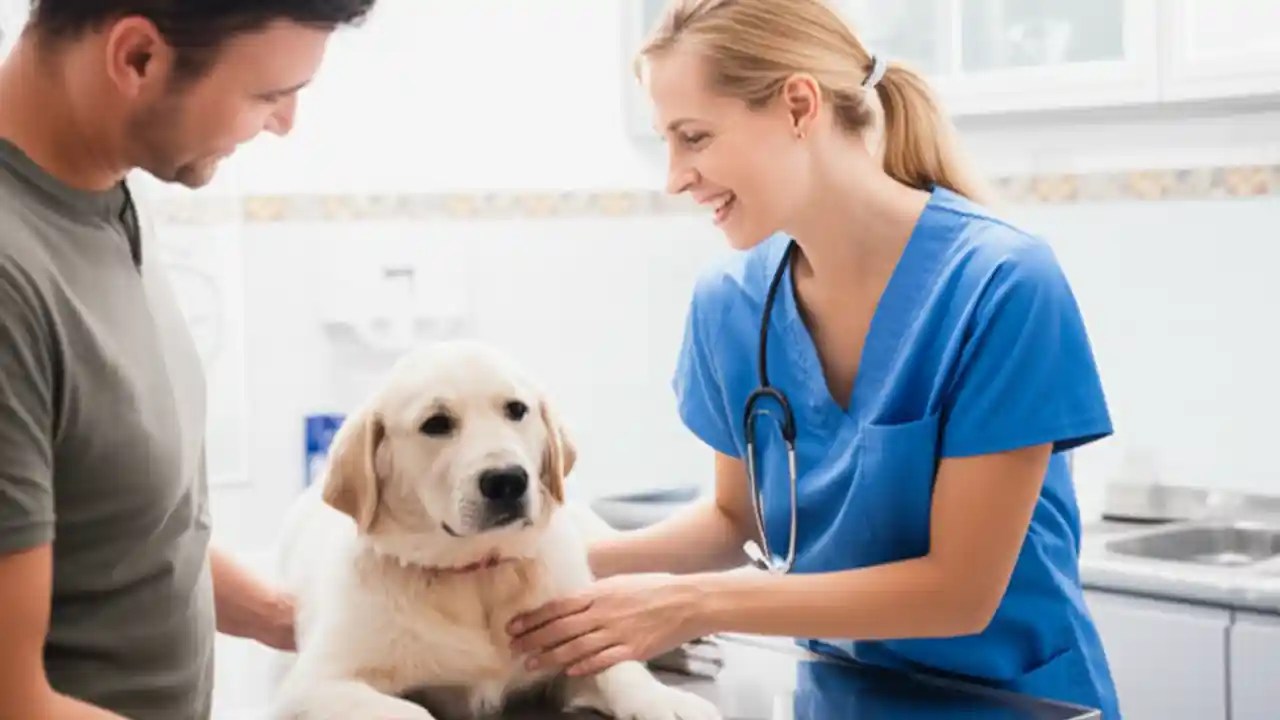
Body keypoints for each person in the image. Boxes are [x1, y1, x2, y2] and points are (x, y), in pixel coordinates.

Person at [507, 1, 1121, 718]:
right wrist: (538, 562)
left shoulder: (1001, 284)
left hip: (1015, 704)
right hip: (837, 700)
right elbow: (734, 519)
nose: (675, 176)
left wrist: (692, 603)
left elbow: (961, 590)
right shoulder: (729, 302)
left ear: (799, 105)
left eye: (694, 137)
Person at [0, 2, 374, 718]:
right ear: (137, 58)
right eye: (268, 95)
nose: (284, 122)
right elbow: (14, 702)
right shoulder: (11, 277)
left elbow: (120, 532)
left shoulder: (102, 192)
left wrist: (317, 622)